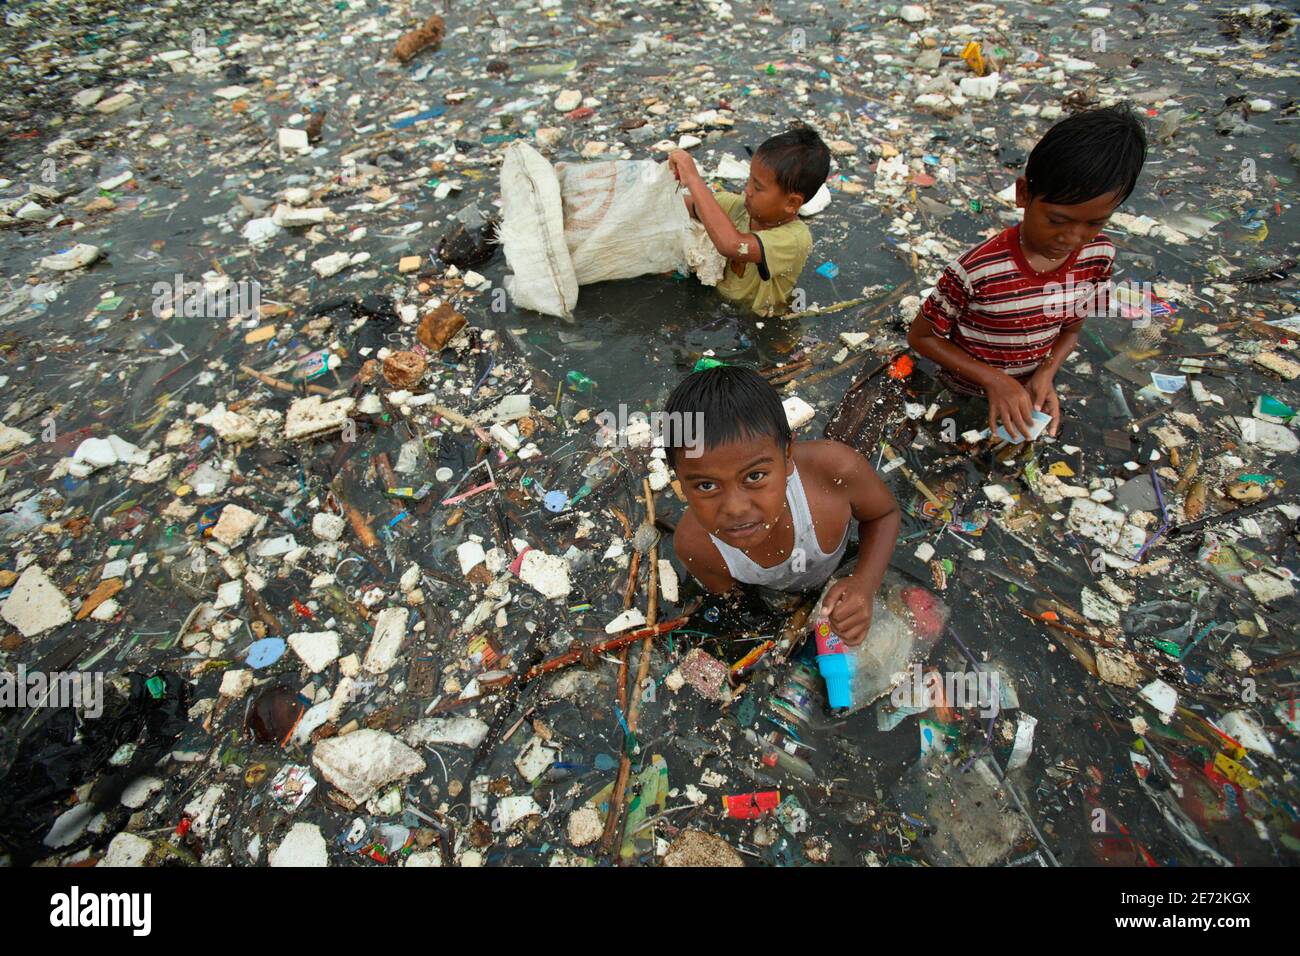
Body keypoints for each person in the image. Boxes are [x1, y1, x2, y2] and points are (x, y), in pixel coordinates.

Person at [907, 105, 1148, 440]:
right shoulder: (977, 270)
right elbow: (921, 337)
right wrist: (995, 380)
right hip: (964, 386)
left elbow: (1071, 331)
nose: (1072, 238)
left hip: (1030, 388)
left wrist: (1045, 374)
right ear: (1023, 194)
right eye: (1057, 220)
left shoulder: (1099, 255)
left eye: (1094, 223)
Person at [662, 365, 899, 645]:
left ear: (787, 455)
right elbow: (739, 602)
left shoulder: (835, 474)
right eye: (706, 485)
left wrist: (864, 583)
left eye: (754, 476)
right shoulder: (696, 547)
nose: (735, 508)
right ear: (678, 478)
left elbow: (884, 514)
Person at [666, 125, 830, 317]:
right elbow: (687, 206)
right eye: (749, 179)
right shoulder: (738, 208)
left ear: (791, 203)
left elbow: (732, 245)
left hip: (758, 318)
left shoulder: (794, 239)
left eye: (758, 187)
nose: (747, 190)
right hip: (719, 303)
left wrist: (694, 180)